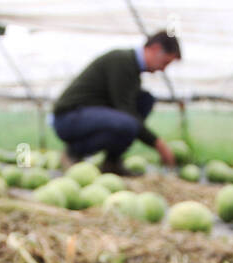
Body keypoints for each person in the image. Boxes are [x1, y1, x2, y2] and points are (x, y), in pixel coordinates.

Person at [51, 31, 181, 175]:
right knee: (128, 124)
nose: (163, 69)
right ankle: (73, 152)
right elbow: (126, 111)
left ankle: (111, 162)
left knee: (144, 101)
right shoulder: (122, 61)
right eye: (165, 62)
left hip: (91, 115)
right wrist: (159, 145)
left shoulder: (133, 71)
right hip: (69, 117)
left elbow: (129, 109)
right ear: (155, 49)